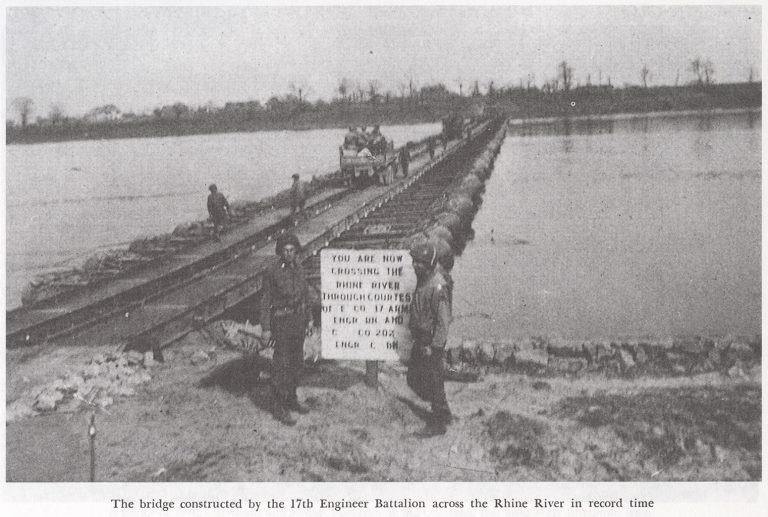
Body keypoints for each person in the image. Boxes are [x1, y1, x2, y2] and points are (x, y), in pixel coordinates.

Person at [259, 233, 320, 426]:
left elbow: (305, 297)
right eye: (285, 250)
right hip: (282, 322)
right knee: (281, 364)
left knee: (297, 362)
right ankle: (279, 406)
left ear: (296, 251)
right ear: (280, 252)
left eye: (292, 250)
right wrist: (266, 328)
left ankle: (292, 398)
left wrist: (310, 320)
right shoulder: (272, 271)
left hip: (298, 320)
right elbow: (265, 301)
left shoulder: (299, 268)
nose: (289, 253)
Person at [407, 241, 453, 437]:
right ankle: (444, 412)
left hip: (431, 341)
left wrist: (434, 347)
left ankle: (438, 422)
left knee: (432, 380)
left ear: (430, 264)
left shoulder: (437, 286)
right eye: (415, 262)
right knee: (415, 379)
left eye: (421, 263)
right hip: (421, 338)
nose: (417, 266)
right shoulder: (424, 279)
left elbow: (443, 321)